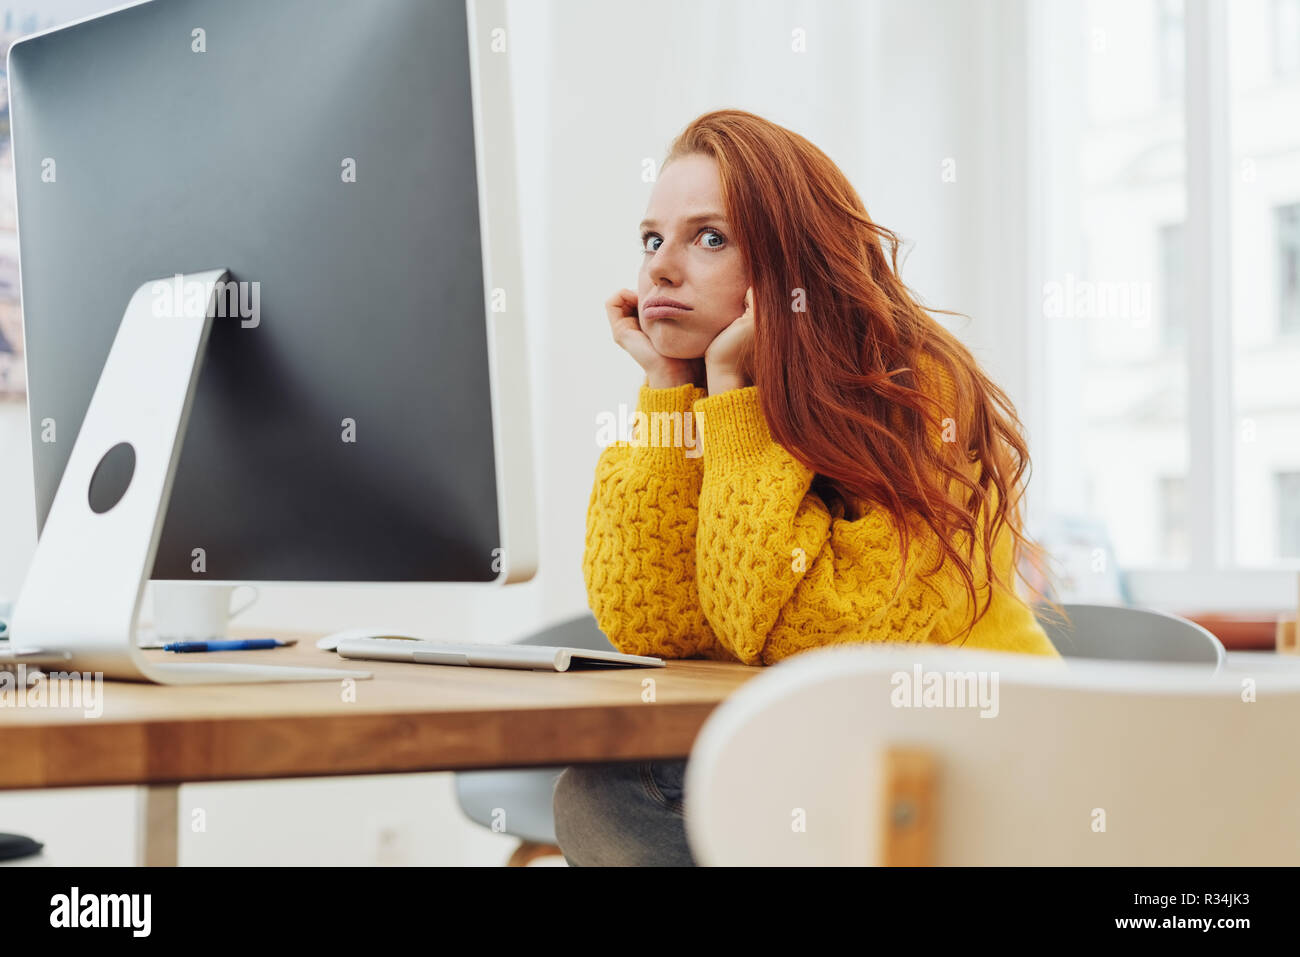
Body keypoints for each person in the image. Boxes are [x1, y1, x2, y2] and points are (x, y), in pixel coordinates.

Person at [552, 109, 1067, 867]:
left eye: (710, 237)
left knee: (618, 802)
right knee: (602, 796)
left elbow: (818, 640)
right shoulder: (707, 397)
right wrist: (670, 387)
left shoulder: (909, 390)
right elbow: (648, 618)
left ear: (789, 264)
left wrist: (731, 393)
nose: (660, 268)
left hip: (981, 765)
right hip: (841, 747)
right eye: (652, 239)